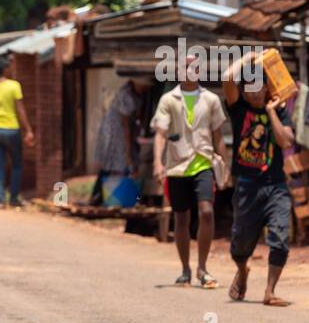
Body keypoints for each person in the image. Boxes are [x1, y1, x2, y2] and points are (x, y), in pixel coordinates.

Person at [222, 53, 295, 306]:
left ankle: (270, 291)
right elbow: (226, 77)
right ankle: (242, 271)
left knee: (280, 236)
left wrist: (272, 112)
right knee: (241, 242)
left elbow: (285, 141)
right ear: (242, 91)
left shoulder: (280, 112)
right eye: (249, 89)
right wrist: (250, 57)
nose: (254, 94)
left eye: (259, 88)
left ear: (267, 87)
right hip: (247, 185)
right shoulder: (238, 110)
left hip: (276, 185)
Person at [152, 53, 227, 288]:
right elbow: (161, 134)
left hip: (203, 161)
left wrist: (225, 165)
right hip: (177, 165)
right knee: (181, 217)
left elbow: (218, 135)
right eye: (185, 66)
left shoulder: (212, 100)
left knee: (206, 212)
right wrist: (158, 163)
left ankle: (202, 268)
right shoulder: (168, 100)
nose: (189, 70)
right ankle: (185, 269)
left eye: (194, 66)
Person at [0, 56, 35, 207]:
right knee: (17, 164)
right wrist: (28, 130)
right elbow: (20, 109)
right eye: (9, 67)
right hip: (11, 130)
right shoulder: (14, 86)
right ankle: (14, 198)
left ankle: (2, 200)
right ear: (4, 69)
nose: (11, 70)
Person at [90, 79, 142, 205]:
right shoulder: (126, 95)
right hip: (115, 132)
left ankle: (102, 197)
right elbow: (126, 126)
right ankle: (100, 197)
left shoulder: (137, 94)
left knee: (119, 165)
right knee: (113, 164)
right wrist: (129, 153)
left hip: (122, 132)